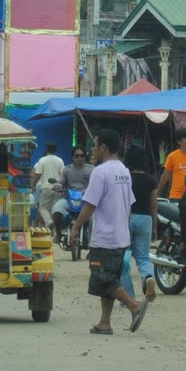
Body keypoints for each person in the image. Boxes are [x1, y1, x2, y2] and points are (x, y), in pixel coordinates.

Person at [70, 130, 147, 334]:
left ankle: (134, 305)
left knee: (103, 277)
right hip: (120, 236)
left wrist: (76, 227)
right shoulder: (123, 170)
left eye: (94, 145)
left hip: (105, 237)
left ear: (103, 147)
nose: (92, 149)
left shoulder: (100, 172)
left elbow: (89, 204)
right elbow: (129, 204)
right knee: (110, 279)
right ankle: (105, 322)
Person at [119, 145, 160, 304]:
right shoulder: (151, 179)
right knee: (143, 257)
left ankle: (128, 297)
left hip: (126, 218)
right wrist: (155, 227)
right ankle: (148, 277)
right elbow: (154, 205)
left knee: (124, 259)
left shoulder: (125, 178)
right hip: (145, 219)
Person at [54, 146, 93, 239]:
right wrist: (57, 186)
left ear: (85, 157)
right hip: (69, 199)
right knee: (56, 211)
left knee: (94, 219)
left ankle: (93, 241)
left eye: (82, 156)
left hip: (86, 201)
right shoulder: (66, 170)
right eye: (77, 156)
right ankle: (58, 234)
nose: (79, 158)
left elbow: (97, 183)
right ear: (72, 157)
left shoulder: (92, 170)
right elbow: (60, 181)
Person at [157, 129, 186, 204]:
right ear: (179, 142)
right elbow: (165, 176)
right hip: (176, 196)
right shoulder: (172, 156)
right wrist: (157, 193)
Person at [31, 142, 65, 230]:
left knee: (42, 208)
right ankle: (53, 231)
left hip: (45, 187)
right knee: (54, 209)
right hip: (57, 188)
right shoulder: (60, 160)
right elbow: (63, 175)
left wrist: (33, 185)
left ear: (46, 150)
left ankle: (49, 223)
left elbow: (37, 175)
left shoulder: (42, 160)